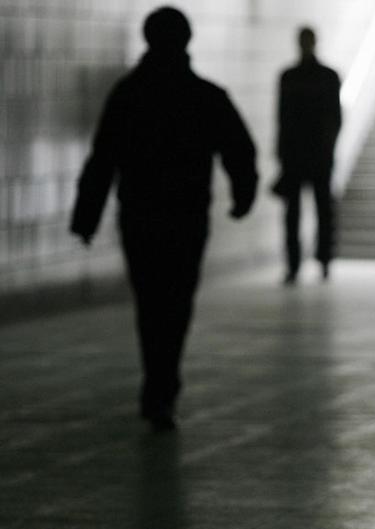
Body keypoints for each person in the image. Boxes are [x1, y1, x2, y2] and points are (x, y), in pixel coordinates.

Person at [70, 6, 258, 431]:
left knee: (149, 300)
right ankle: (163, 386)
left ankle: (157, 383)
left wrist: (86, 216)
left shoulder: (128, 94)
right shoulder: (205, 95)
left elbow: (103, 159)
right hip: (188, 216)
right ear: (186, 40)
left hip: (139, 215)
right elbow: (239, 149)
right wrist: (242, 195)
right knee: (177, 300)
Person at [273, 27, 342, 284]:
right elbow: (334, 119)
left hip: (300, 155)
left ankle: (300, 264)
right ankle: (319, 261)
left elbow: (283, 118)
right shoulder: (326, 77)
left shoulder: (290, 77)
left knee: (299, 213)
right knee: (318, 211)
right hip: (315, 155)